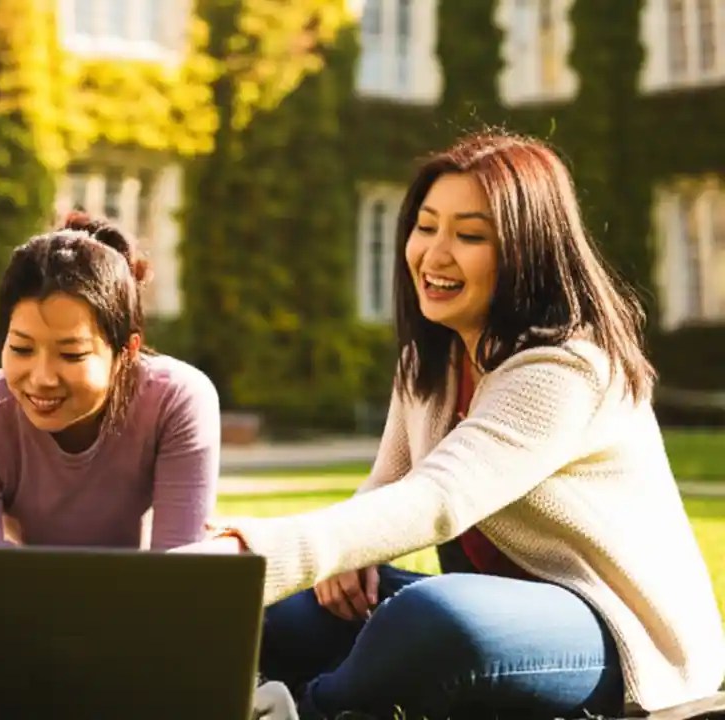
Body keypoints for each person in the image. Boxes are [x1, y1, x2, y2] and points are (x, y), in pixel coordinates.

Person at [175, 132, 725, 719]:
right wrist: (336, 562)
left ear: (527, 251)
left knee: (436, 618)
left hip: (621, 634)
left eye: (468, 236)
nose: (434, 255)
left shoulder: (567, 369)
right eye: (426, 226)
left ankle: (301, 711)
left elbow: (439, 496)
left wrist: (255, 551)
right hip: (500, 611)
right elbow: (387, 489)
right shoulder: (431, 360)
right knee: (283, 610)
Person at [0, 211, 220, 552]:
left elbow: (180, 573)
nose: (41, 378)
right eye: (21, 349)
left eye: (72, 354)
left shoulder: (175, 401)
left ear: (127, 351)